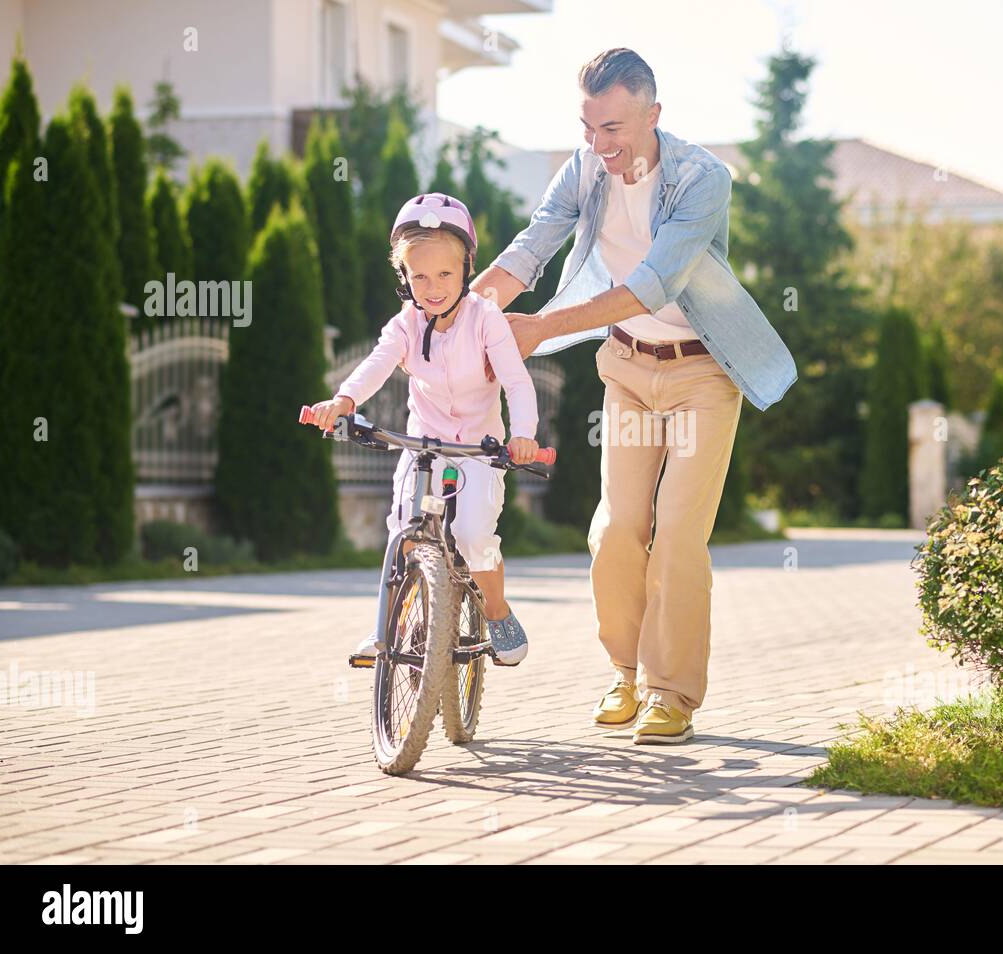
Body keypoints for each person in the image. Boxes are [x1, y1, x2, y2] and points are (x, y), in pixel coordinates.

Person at [469, 49, 798, 743]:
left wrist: (541, 329)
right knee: (618, 528)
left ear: (654, 115)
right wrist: (463, 312)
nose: (600, 145)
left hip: (703, 373)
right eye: (589, 128)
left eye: (613, 128)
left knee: (678, 533)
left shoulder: (703, 179)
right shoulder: (586, 166)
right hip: (627, 367)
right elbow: (535, 247)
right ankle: (625, 671)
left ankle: (672, 692)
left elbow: (653, 285)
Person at [305, 193, 540, 665]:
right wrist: (344, 400)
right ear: (405, 277)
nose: (432, 287)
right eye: (419, 276)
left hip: (481, 449)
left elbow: (516, 380)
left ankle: (495, 610)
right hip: (423, 446)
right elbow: (377, 363)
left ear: (467, 267)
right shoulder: (406, 323)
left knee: (473, 535)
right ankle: (385, 631)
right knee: (405, 533)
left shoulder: (485, 318)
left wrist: (525, 434)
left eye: (445, 274)